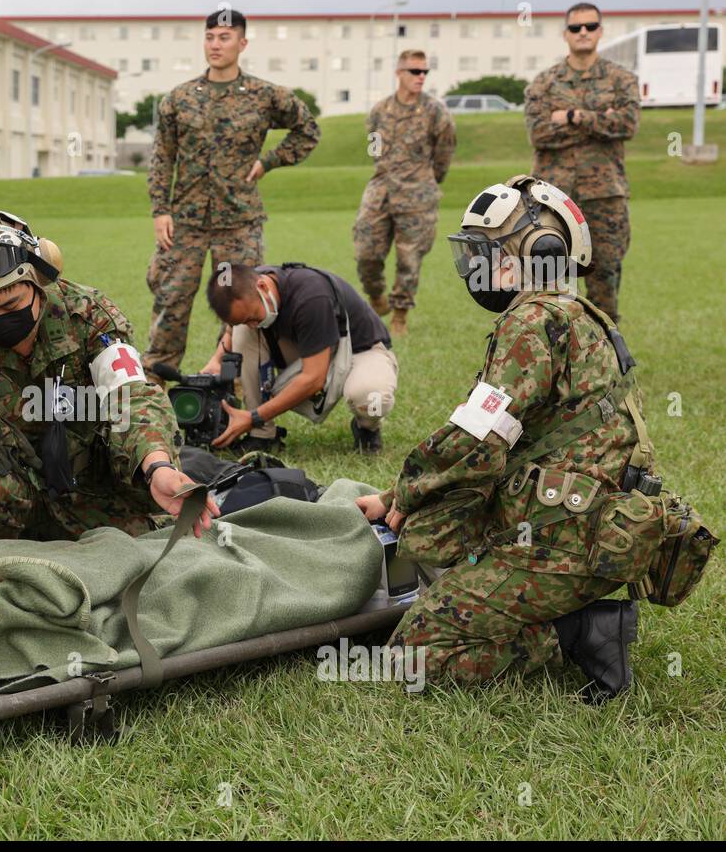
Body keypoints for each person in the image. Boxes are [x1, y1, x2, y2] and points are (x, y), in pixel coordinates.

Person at [355, 175, 661, 701]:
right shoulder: (577, 313)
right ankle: (570, 609)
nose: (477, 266)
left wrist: (402, 500)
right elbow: (502, 435)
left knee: (413, 658)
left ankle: (574, 631)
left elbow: (476, 442)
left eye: (489, 252)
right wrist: (396, 497)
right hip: (586, 527)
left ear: (541, 250)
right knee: (447, 575)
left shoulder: (531, 321)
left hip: (564, 538)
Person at [0, 479, 383, 697]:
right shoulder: (23, 618)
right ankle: (346, 529)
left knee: (228, 537)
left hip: (140, 558)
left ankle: (337, 518)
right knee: (241, 567)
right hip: (156, 590)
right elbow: (103, 594)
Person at [0, 209, 218, 546]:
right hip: (3, 494)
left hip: (92, 488)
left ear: (38, 280)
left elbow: (132, 398)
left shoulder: (88, 316)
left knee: (143, 554)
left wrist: (157, 467)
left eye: (10, 305)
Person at [144, 7, 320, 379]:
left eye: (224, 38)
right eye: (209, 37)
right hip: (187, 221)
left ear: (242, 43)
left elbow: (307, 130)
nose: (215, 44)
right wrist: (161, 209)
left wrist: (269, 161)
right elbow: (162, 157)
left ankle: (229, 379)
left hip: (238, 221)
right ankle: (155, 381)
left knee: (236, 302)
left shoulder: (264, 95)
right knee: (170, 299)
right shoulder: (179, 98)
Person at [201, 262, 398, 455]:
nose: (252, 324)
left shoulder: (311, 297)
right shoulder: (252, 286)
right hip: (314, 349)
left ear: (262, 287)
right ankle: (262, 436)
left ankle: (367, 428)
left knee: (372, 398)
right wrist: (216, 360)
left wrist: (253, 417)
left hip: (360, 350)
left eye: (253, 316)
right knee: (243, 332)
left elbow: (313, 379)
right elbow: (233, 328)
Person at [524, 1, 639, 323]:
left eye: (590, 26)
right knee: (548, 283)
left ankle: (608, 362)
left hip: (605, 198)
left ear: (600, 31)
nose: (583, 33)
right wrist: (600, 122)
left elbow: (627, 125)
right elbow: (539, 134)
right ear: (566, 34)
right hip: (553, 199)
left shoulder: (622, 80)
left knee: (605, 283)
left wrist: (571, 117)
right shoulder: (544, 83)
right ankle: (553, 362)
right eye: (576, 28)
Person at [353, 49, 456, 337]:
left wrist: (427, 182)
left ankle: (400, 315)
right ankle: (376, 296)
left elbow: (445, 153)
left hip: (418, 194)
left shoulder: (436, 112)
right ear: (399, 73)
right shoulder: (379, 111)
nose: (421, 77)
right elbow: (373, 149)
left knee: (409, 260)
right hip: (381, 190)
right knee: (365, 252)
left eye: (425, 72)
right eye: (415, 71)